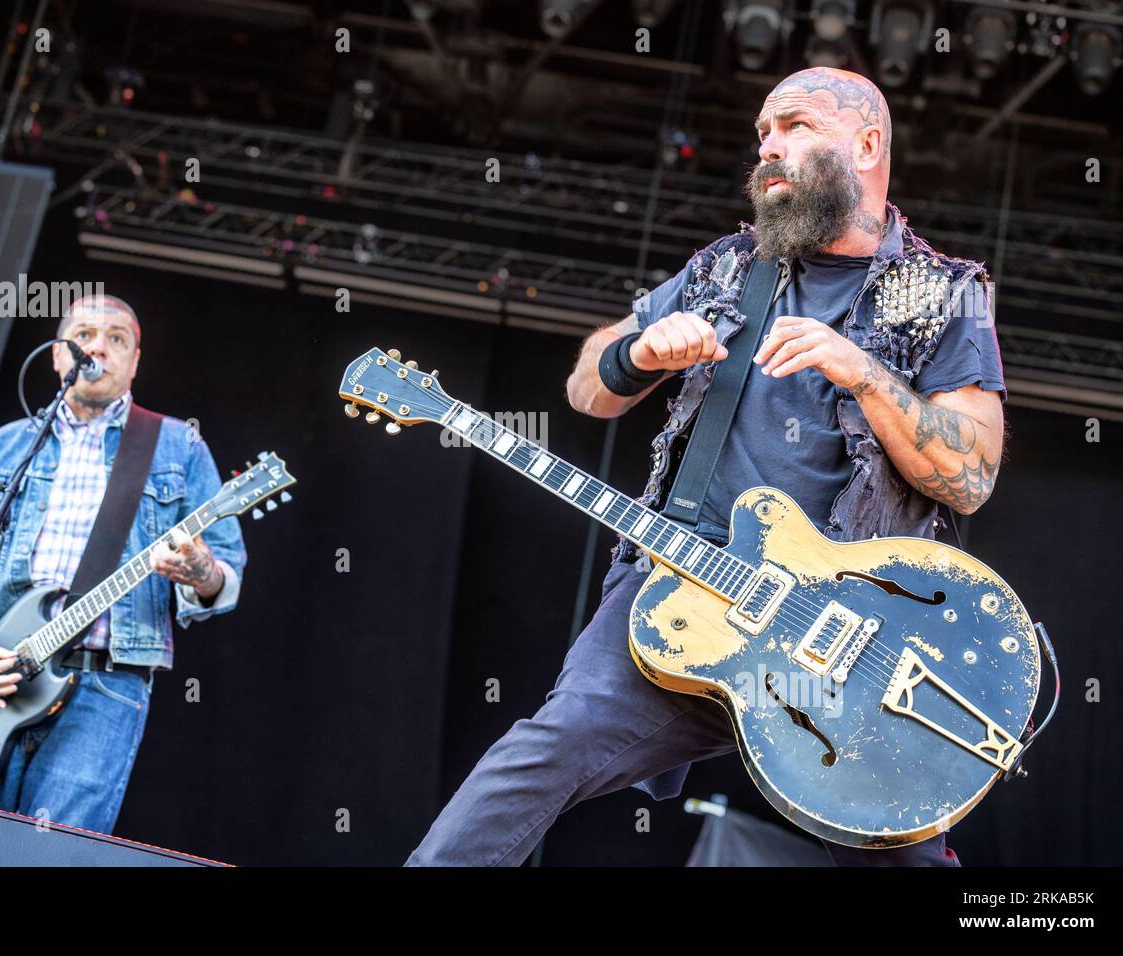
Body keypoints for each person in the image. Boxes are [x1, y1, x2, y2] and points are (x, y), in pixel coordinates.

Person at [407, 67, 1005, 866]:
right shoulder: (727, 267)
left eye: (795, 125)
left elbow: (972, 475)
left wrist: (864, 374)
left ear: (867, 146)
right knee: (547, 748)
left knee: (902, 854)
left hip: (848, 634)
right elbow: (587, 388)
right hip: (683, 589)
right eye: (763, 133)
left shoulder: (942, 293)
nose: (769, 148)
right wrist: (635, 353)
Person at [0, 294, 246, 835]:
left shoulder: (179, 447)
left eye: (117, 339)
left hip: (104, 685)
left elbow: (223, 570)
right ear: (57, 355)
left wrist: (200, 571)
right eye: (84, 335)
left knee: (53, 854)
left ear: (134, 362)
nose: (99, 347)